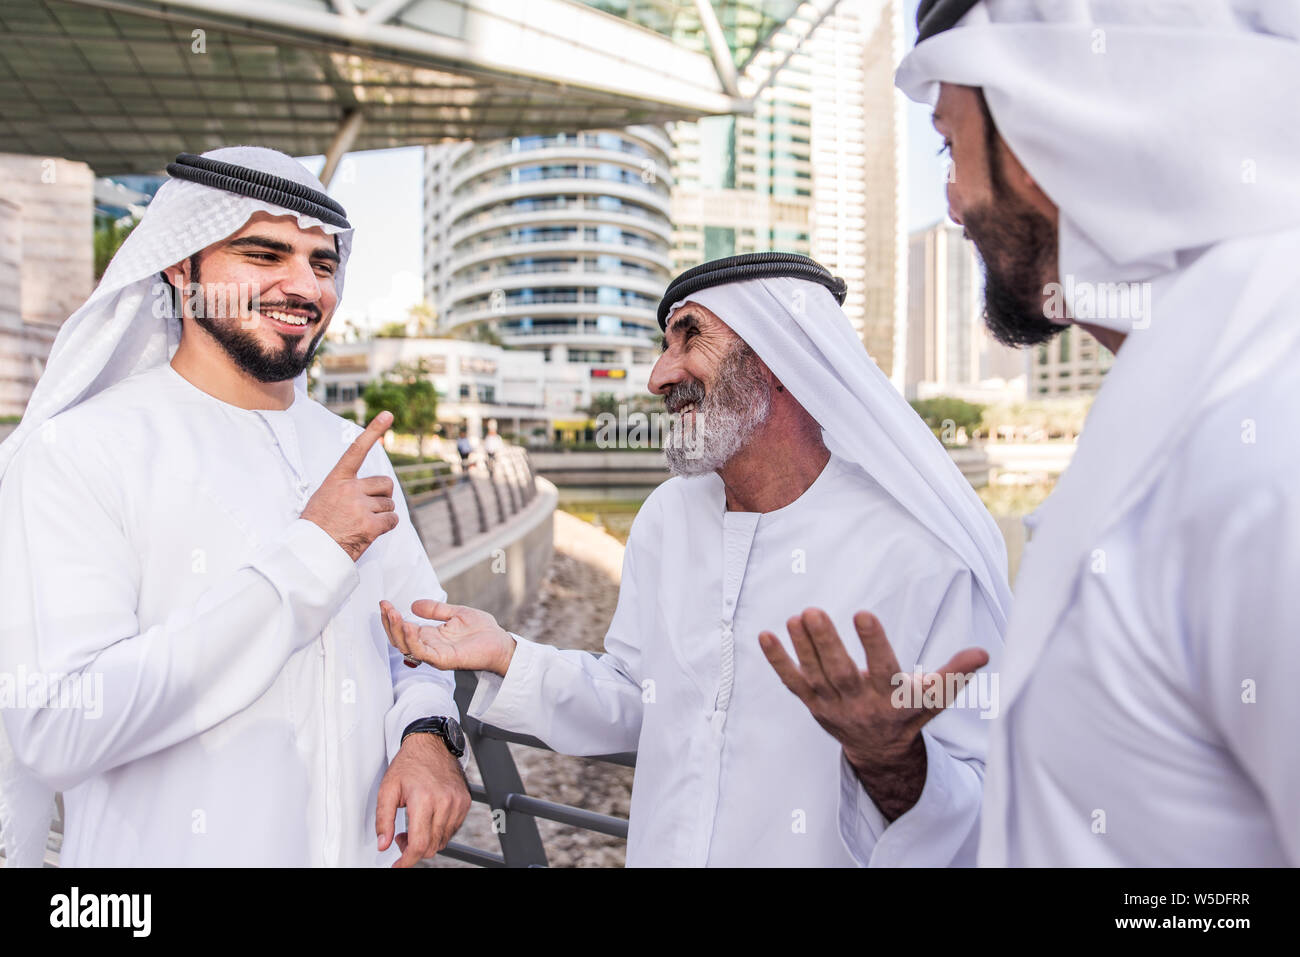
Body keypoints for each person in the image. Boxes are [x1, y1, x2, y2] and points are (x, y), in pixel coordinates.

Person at [770, 0, 1300, 865]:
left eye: (949, 145)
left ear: (1050, 120)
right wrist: (893, 759)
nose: (954, 203)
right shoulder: (1173, 394)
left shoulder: (1268, 431)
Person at [382, 253, 1012, 867]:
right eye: (665, 346)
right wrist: (507, 656)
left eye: (690, 339)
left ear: (777, 359)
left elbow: (990, 813)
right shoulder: (666, 518)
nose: (659, 375)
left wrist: (891, 759)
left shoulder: (924, 550)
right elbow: (639, 697)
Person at [0, 147, 470, 867]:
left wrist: (428, 734)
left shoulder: (355, 449)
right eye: (264, 253)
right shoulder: (79, 453)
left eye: (321, 263)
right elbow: (58, 725)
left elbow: (423, 644)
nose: (303, 286)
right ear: (179, 266)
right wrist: (311, 555)